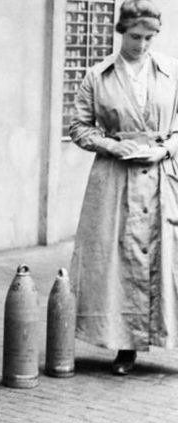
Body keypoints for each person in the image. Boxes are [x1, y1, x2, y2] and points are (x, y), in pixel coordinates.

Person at [69, 0, 178, 376]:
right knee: (118, 261)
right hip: (116, 179)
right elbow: (79, 127)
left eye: (149, 38)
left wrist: (166, 149)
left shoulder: (171, 73)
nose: (141, 44)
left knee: (168, 258)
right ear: (121, 33)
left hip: (161, 177)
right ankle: (125, 347)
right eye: (134, 37)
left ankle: (168, 338)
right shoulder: (98, 76)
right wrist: (112, 146)